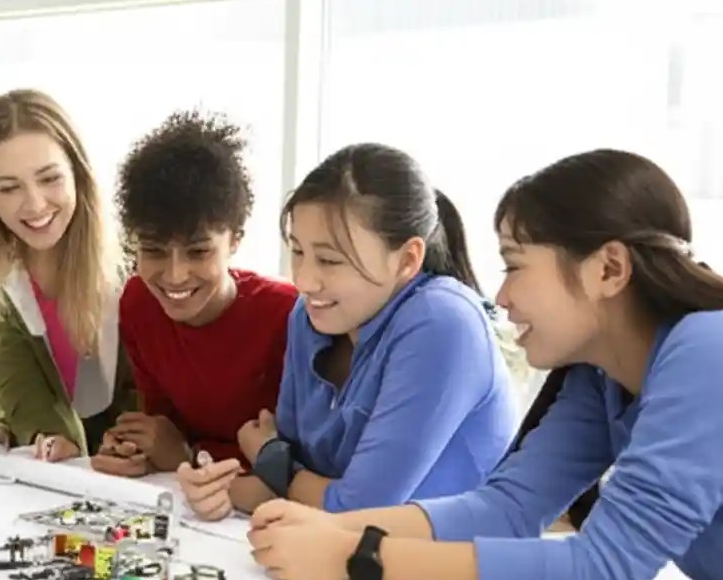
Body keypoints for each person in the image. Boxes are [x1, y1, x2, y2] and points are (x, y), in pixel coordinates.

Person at [246, 149, 723, 580]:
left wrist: (353, 556)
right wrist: (337, 531)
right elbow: (507, 511)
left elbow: (600, 571)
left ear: (609, 269)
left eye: (514, 266)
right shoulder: (599, 378)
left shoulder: (708, 348)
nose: (502, 295)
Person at [178, 143, 518, 520]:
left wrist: (270, 457)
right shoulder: (308, 318)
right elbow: (294, 483)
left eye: (329, 260)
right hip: (348, 556)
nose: (304, 280)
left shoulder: (442, 322)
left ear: (406, 260)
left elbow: (360, 508)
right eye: (297, 251)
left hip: (445, 567)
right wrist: (217, 489)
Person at [90, 110, 298, 478]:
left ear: (234, 240)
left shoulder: (289, 317)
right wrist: (136, 448)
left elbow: (296, 461)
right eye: (153, 250)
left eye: (198, 252)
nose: (174, 275)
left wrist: (187, 455)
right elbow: (164, 428)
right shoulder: (138, 302)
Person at [0, 90, 131, 461]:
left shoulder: (134, 268)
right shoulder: (1, 287)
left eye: (49, 178)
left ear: (77, 174)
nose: (34, 204)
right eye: (9, 187)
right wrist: (36, 435)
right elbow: (23, 394)